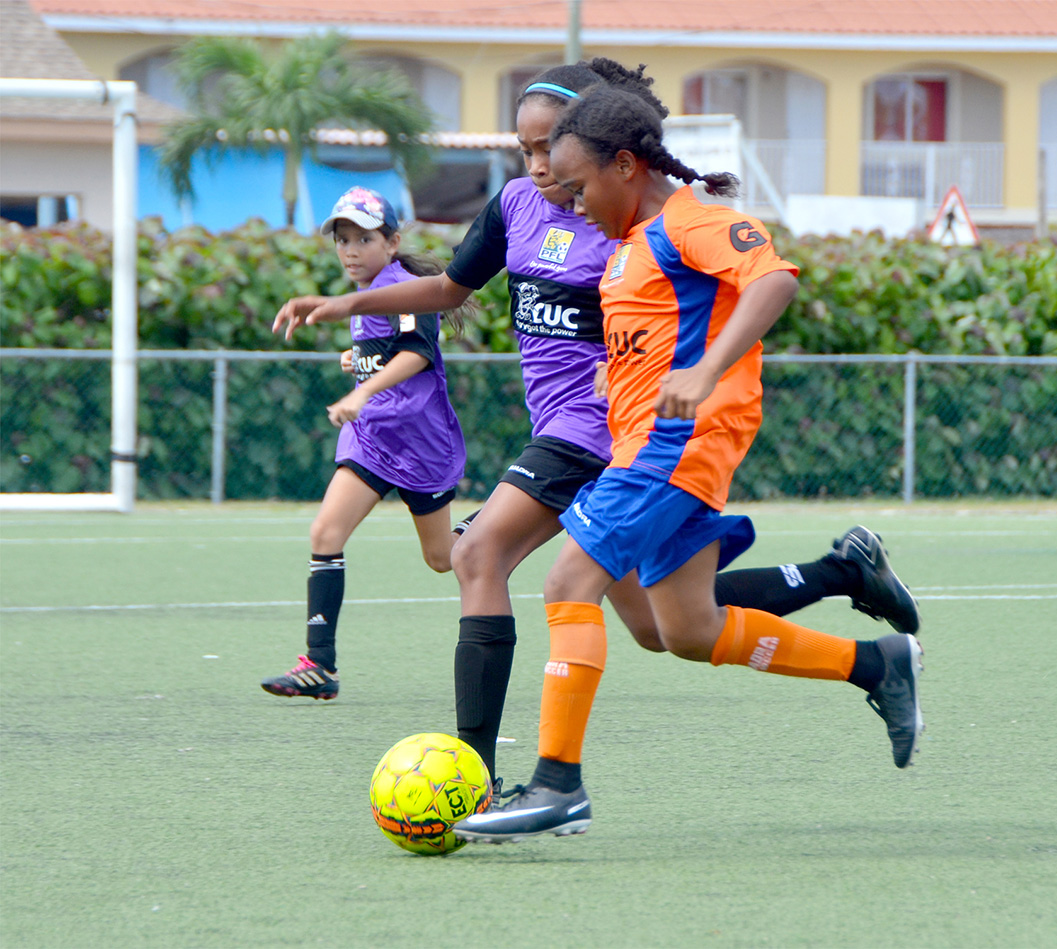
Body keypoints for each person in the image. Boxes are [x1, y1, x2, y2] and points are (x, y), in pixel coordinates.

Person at [272, 61, 919, 782]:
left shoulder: (621, 215)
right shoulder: (518, 206)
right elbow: (452, 287)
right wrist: (347, 305)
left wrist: (689, 370)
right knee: (670, 626)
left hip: (602, 433)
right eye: (526, 149)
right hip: (573, 430)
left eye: (552, 146)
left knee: (477, 554)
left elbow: (712, 291)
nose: (541, 165)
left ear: (595, 149)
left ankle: (479, 778)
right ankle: (852, 607)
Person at [453, 86, 925, 843]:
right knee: (686, 628)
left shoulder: (689, 220)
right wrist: (617, 373)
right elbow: (647, 339)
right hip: (645, 445)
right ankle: (877, 663)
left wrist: (706, 372)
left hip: (678, 444)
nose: (571, 203)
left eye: (579, 187)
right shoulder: (633, 245)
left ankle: (557, 782)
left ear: (627, 165)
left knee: (568, 581)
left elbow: (772, 279)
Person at [261, 187, 468, 700]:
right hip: (373, 438)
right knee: (325, 531)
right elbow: (387, 352)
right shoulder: (363, 294)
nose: (350, 250)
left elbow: (416, 355)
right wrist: (358, 363)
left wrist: (364, 390)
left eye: (364, 238)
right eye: (343, 239)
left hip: (420, 441)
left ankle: (501, 520)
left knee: (443, 558)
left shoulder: (404, 288)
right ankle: (319, 666)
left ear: (393, 242)